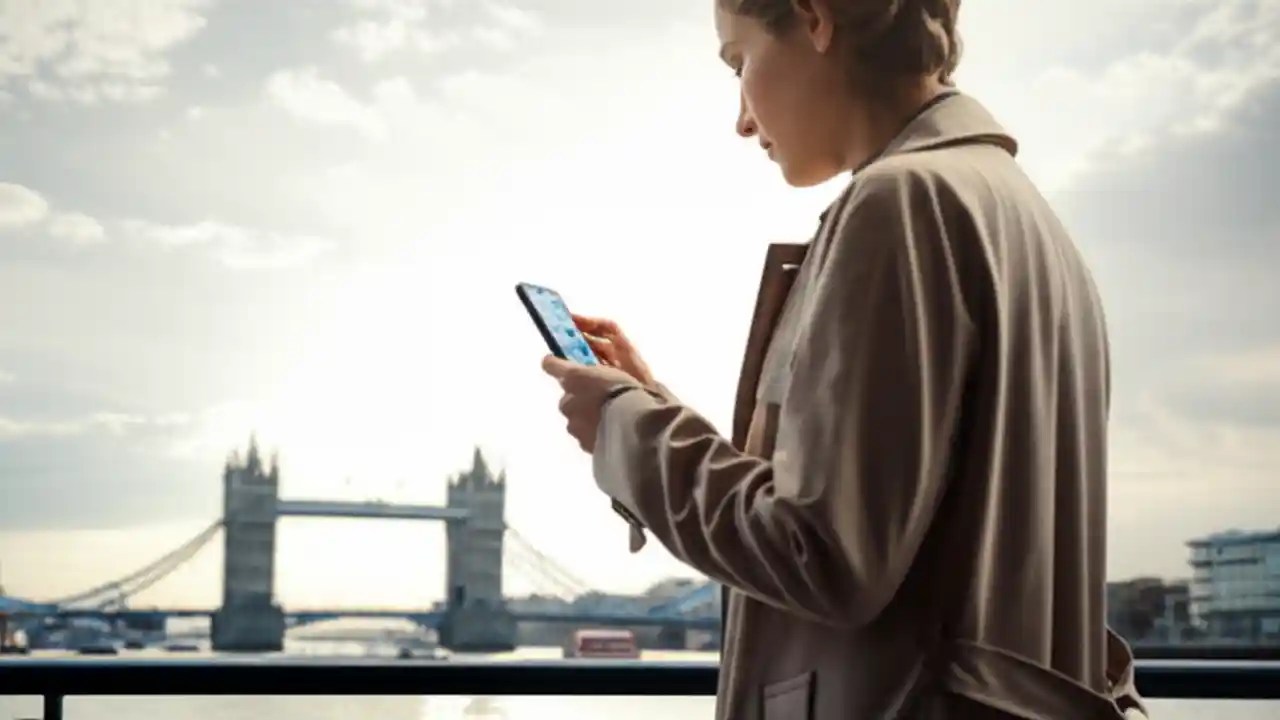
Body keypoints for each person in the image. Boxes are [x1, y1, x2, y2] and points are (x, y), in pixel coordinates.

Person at [541, 1, 1148, 718]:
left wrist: (625, 431)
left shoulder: (900, 205)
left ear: (815, 18)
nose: (740, 118)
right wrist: (655, 409)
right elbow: (902, 523)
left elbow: (823, 554)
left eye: (741, 63)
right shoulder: (1028, 222)